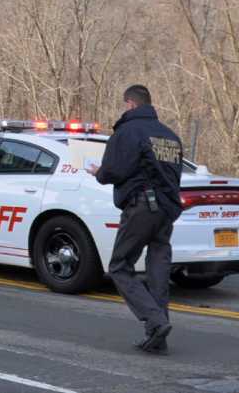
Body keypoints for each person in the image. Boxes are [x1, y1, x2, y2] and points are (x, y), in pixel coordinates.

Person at [93, 83, 185, 354]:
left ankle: (155, 321)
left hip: (141, 206)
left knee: (120, 266)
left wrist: (99, 172)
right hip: (167, 211)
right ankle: (158, 335)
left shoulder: (129, 131)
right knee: (158, 273)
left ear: (130, 104)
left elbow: (114, 170)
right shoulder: (170, 136)